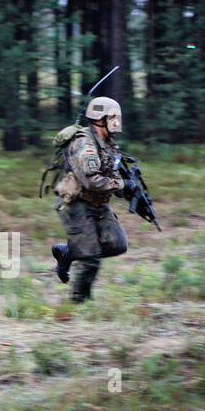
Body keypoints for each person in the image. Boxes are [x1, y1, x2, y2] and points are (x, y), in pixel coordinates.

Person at [48, 96, 130, 302]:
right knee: (91, 259)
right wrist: (120, 184)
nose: (116, 122)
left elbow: (113, 176)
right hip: (76, 204)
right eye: (112, 117)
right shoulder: (85, 145)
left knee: (118, 243)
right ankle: (78, 302)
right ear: (99, 119)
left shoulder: (109, 145)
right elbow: (92, 181)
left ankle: (68, 252)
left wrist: (128, 186)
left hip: (99, 204)